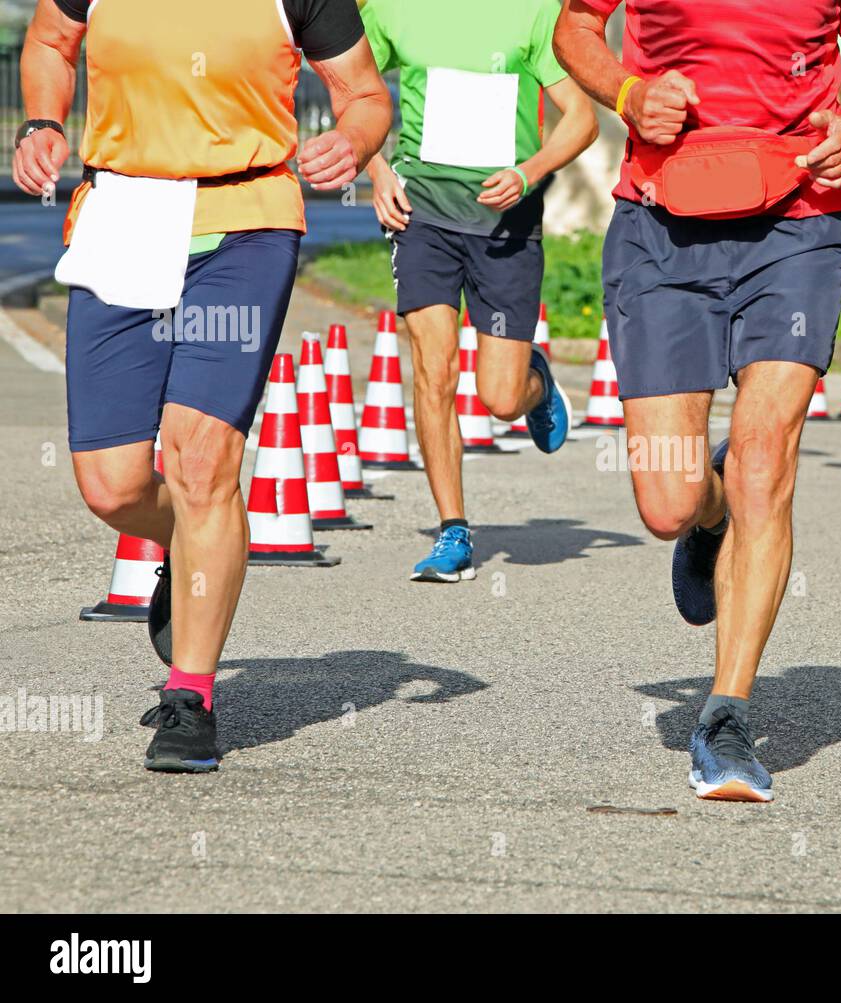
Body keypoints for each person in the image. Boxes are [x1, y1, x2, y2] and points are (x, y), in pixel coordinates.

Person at [12, 0, 391, 771]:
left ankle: (190, 696)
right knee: (112, 486)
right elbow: (50, 39)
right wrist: (41, 123)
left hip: (245, 223)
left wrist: (351, 142)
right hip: (122, 216)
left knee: (201, 460)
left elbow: (365, 94)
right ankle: (188, 550)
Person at [555, 0, 841, 801]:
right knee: (668, 502)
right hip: (663, 223)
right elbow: (574, 26)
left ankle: (726, 716)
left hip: (799, 224)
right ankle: (708, 517)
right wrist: (630, 93)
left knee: (763, 460)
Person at [360, 0, 598, 583]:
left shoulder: (537, 11)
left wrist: (528, 171)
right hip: (423, 216)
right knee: (432, 370)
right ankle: (453, 530)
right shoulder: (392, 8)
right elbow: (350, 88)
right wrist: (376, 167)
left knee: (498, 397)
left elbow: (582, 118)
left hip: (506, 225)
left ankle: (534, 386)